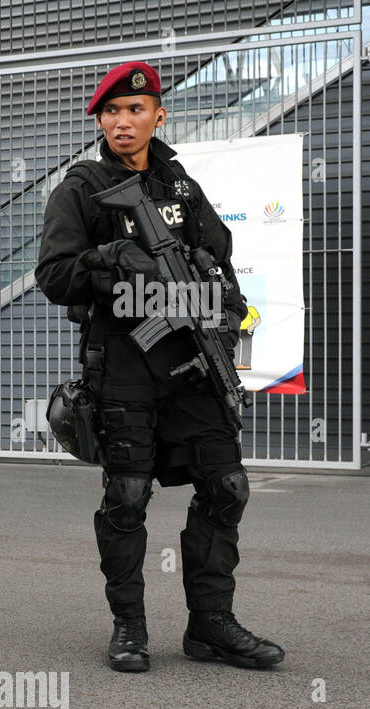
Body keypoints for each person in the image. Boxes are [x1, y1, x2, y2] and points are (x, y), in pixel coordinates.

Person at [35, 61, 284, 672]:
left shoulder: (178, 184)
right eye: (113, 112)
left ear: (158, 116)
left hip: (193, 363)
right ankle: (129, 627)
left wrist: (224, 301)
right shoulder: (81, 188)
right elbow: (54, 277)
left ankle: (211, 626)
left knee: (228, 487)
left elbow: (219, 257)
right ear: (100, 119)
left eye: (137, 110)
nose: (124, 121)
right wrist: (111, 257)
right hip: (123, 365)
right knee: (126, 496)